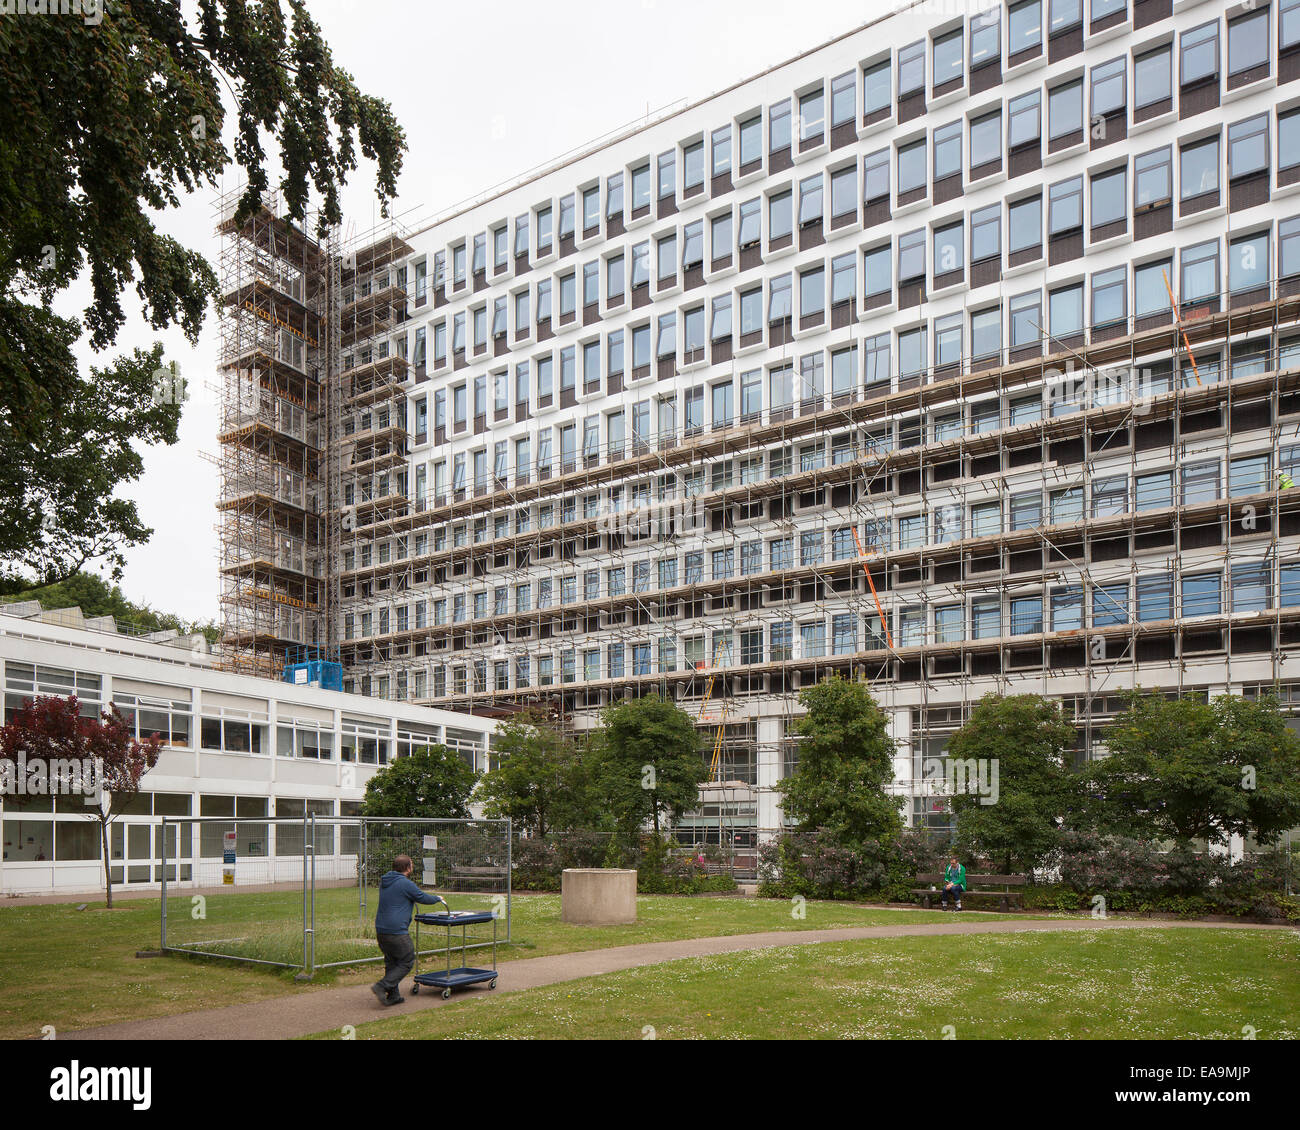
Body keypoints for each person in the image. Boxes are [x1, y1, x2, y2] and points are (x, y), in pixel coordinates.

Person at [371, 854, 445, 1005]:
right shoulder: (405, 883)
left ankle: (393, 996)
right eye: (411, 864)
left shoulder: (386, 881)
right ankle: (382, 986)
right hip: (396, 930)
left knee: (392, 962)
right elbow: (422, 897)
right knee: (407, 960)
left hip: (381, 929)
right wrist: (438, 898)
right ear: (408, 868)